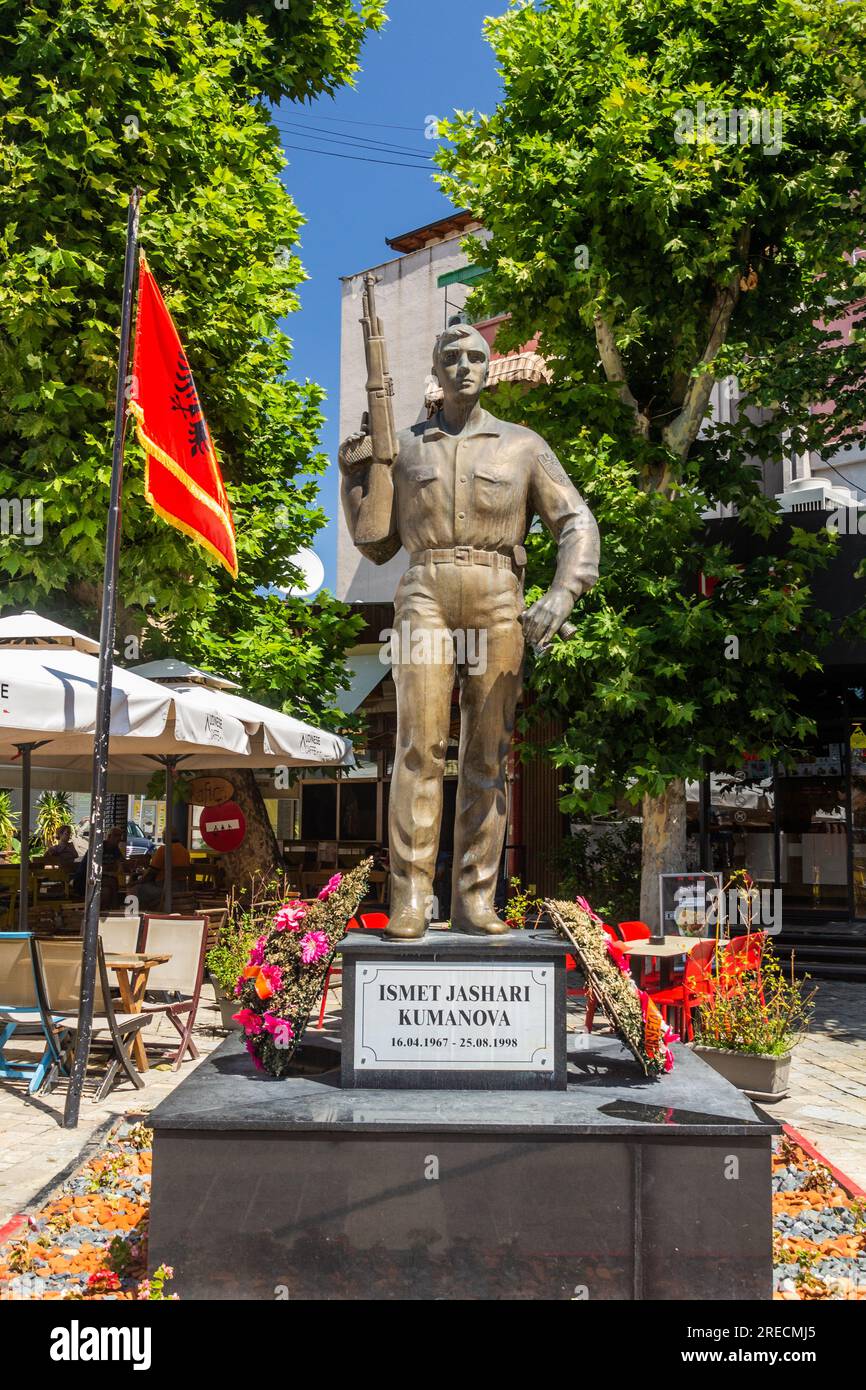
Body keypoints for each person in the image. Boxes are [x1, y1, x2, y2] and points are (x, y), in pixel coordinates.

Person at [340, 320, 599, 938]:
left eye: (475, 356)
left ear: (489, 368)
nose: (464, 365)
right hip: (425, 589)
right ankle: (410, 899)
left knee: (488, 753)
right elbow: (376, 544)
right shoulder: (402, 447)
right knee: (418, 747)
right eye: (451, 356)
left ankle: (475, 898)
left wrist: (562, 593)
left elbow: (576, 522)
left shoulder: (523, 445)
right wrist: (356, 477)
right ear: (436, 368)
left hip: (497, 593)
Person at [136, 833, 191, 909]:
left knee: (138, 888)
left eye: (163, 834)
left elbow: (151, 872)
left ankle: (140, 914)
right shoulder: (185, 851)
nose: (162, 837)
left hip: (164, 890)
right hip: (181, 890)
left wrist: (139, 881)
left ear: (166, 836)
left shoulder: (163, 850)